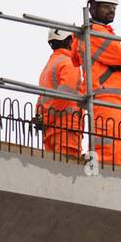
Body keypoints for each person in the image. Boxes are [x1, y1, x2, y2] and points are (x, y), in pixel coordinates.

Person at [72, 0, 121, 168]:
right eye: (106, 6)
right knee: (109, 146)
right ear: (91, 7)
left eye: (113, 7)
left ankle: (109, 172)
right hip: (105, 98)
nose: (111, 11)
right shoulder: (96, 33)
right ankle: (109, 176)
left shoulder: (96, 33)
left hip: (107, 98)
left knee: (111, 144)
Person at [35, 27, 82, 158]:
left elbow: (41, 99)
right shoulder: (69, 63)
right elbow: (64, 96)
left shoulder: (49, 66)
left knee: (52, 171)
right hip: (66, 128)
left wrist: (41, 118)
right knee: (68, 172)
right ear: (68, 41)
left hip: (50, 131)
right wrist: (45, 119)